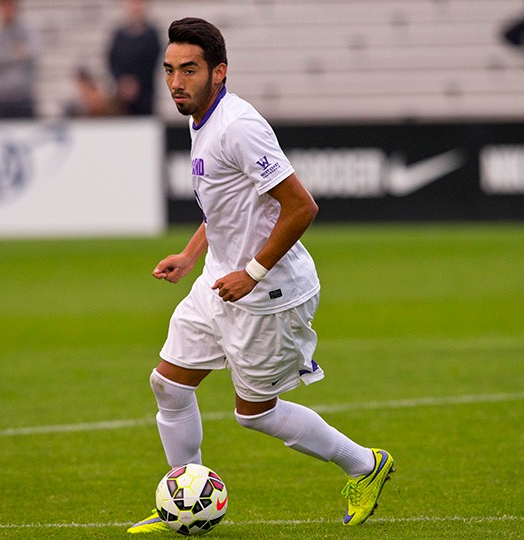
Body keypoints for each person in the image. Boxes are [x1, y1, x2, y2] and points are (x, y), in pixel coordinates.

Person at [126, 18, 393, 533]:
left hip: (270, 292)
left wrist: (251, 271)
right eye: (169, 71)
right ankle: (186, 501)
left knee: (255, 413)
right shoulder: (198, 117)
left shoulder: (238, 126)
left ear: (218, 72)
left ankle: (366, 465)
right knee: (168, 385)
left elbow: (300, 207)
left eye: (189, 70)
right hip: (218, 279)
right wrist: (189, 255)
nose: (176, 82)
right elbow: (227, 204)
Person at [0, 0, 39, 118]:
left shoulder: (27, 32)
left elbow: (33, 51)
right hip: (1, 99)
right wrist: (15, 54)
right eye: (3, 6)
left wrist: (2, 58)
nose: (7, 10)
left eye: (9, 5)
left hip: (24, 98)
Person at [106, 0, 162, 116]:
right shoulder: (119, 36)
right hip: (122, 99)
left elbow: (153, 62)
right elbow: (112, 61)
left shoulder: (152, 35)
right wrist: (122, 82)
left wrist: (137, 83)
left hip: (145, 95)